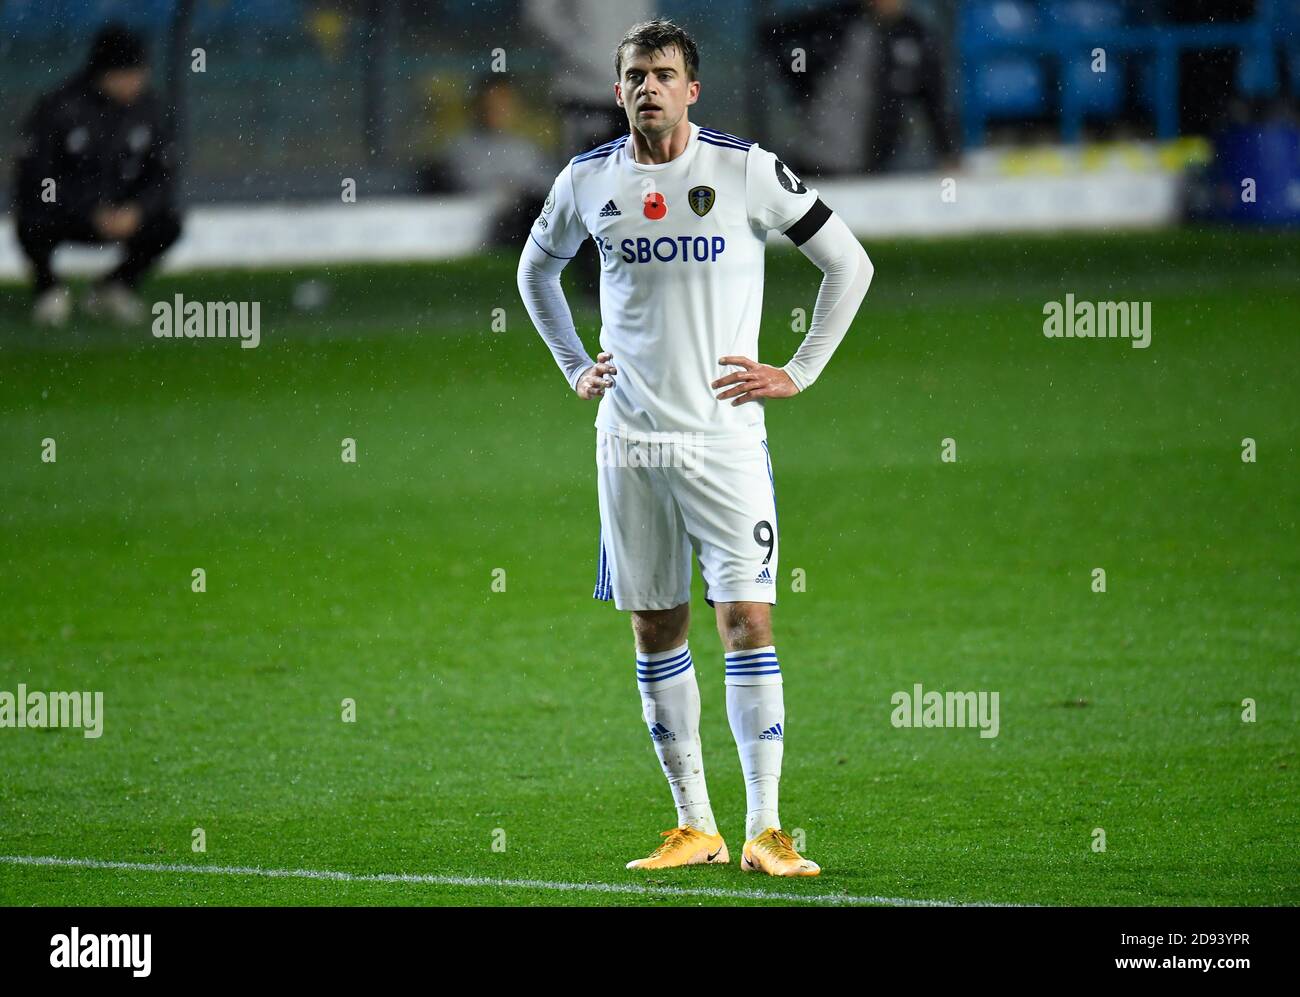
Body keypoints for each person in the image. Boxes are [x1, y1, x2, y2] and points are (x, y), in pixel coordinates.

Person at [516, 18, 873, 876]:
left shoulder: (743, 170)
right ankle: (694, 824)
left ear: (692, 88)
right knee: (654, 625)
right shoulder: (587, 180)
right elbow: (535, 272)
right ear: (618, 90)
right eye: (635, 74)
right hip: (630, 442)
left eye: (664, 73)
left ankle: (768, 828)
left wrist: (799, 371)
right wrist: (574, 363)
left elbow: (848, 263)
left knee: (746, 618)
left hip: (724, 442)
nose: (648, 87)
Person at [12, 23, 182, 326]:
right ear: (105, 72)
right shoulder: (59, 108)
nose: (137, 82)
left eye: (141, 72)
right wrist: (88, 209)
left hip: (123, 213)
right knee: (30, 221)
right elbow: (37, 178)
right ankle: (49, 289)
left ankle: (114, 288)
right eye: (129, 73)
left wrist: (137, 209)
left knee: (168, 224)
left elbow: (164, 175)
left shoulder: (150, 110)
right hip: (69, 214)